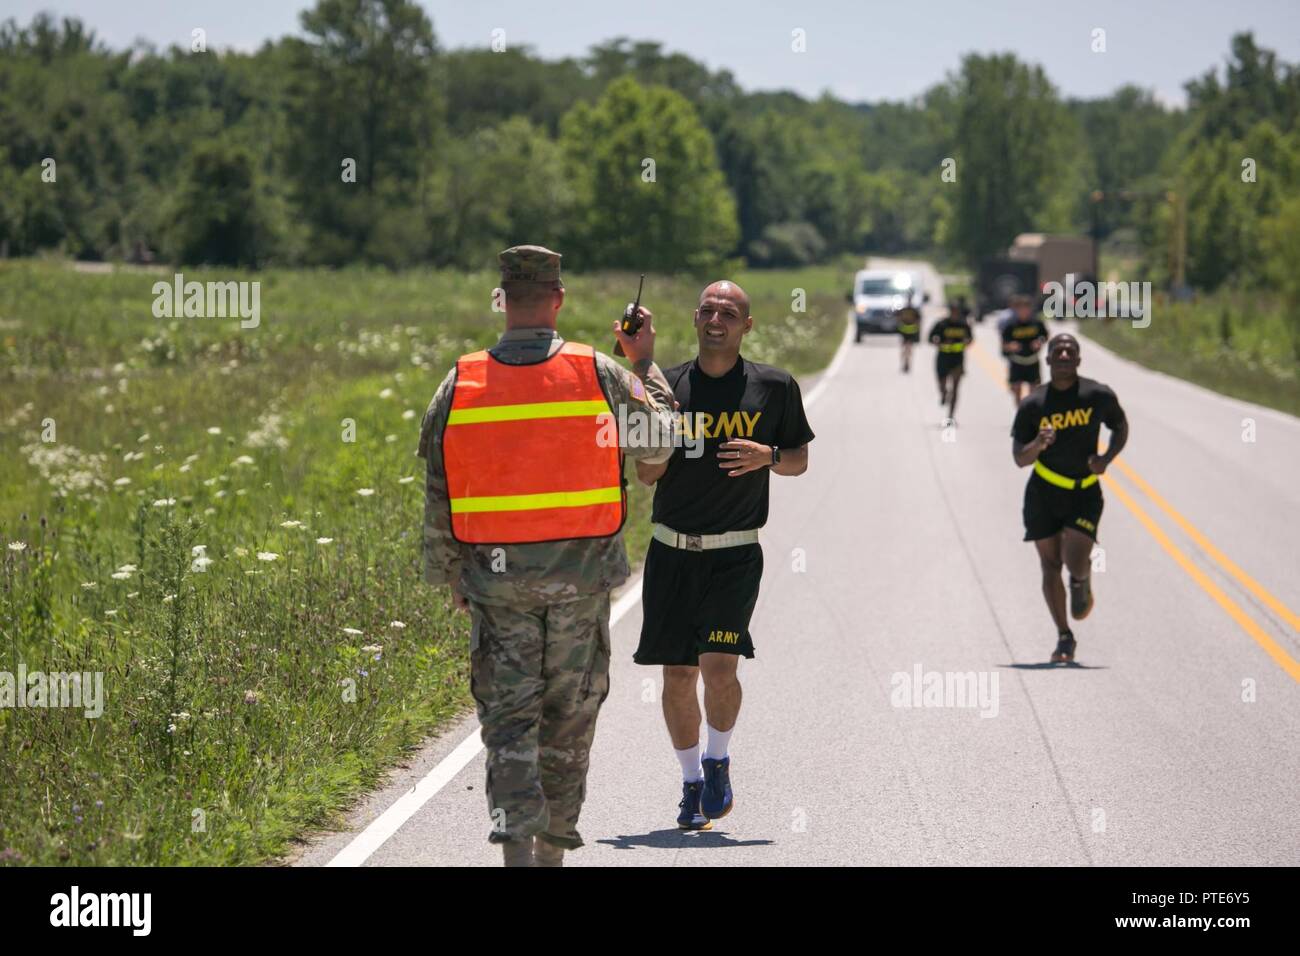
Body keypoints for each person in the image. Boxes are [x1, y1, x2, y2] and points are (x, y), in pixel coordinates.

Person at [417, 244, 677, 866]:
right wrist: (646, 362)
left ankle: (513, 854)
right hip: (579, 586)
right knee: (568, 718)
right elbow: (662, 441)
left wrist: (450, 573)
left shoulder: (462, 380)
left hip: (496, 586)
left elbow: (438, 488)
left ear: (502, 300)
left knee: (508, 724)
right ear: (558, 299)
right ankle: (552, 856)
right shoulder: (597, 373)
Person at [633, 280, 815, 830]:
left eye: (729, 313)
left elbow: (799, 460)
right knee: (678, 675)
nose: (718, 319)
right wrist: (643, 380)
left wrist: (768, 455)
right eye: (709, 310)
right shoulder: (667, 386)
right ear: (694, 318)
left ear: (747, 325)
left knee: (718, 666)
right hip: (671, 551)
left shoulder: (774, 386)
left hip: (735, 554)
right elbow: (646, 474)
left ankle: (718, 760)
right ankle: (691, 781)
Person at [1011, 333, 1129, 664]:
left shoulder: (1098, 395)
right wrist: (1038, 444)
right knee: (1050, 565)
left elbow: (1120, 427)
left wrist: (1106, 458)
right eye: (1057, 351)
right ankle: (1065, 637)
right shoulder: (1033, 404)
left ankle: (1081, 579)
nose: (1064, 354)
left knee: (1074, 561)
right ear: (1047, 360)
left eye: (1070, 351)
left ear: (1078, 360)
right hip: (1043, 492)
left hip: (1083, 492)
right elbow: (1020, 457)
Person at [927, 302, 974, 427]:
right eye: (952, 311)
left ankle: (950, 416)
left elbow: (970, 339)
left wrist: (965, 343)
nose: (954, 314)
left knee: (956, 388)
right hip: (943, 358)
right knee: (942, 384)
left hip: (957, 359)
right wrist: (938, 343)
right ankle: (943, 393)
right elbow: (930, 338)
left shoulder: (964, 325)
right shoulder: (942, 324)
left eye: (956, 312)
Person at [1000, 294, 1050, 407]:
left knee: (1034, 392)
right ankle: (1020, 413)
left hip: (1032, 361)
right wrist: (1010, 346)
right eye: (1020, 308)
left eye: (1026, 308)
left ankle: (1031, 415)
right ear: (1016, 310)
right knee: (1016, 390)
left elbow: (1045, 336)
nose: (1023, 311)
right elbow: (1004, 344)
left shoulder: (1037, 323)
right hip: (1017, 362)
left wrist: (1039, 342)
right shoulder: (1010, 326)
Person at [894, 291, 922, 373]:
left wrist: (918, 330)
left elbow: (918, 321)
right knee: (904, 348)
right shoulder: (903, 310)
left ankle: (907, 363)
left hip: (911, 332)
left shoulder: (914, 310)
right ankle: (904, 362)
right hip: (904, 332)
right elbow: (898, 318)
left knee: (909, 348)